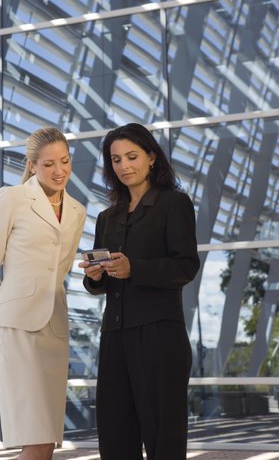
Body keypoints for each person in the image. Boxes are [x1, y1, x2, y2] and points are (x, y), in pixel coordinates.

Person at [79, 123, 200, 460]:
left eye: (132, 156)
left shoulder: (173, 203)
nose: (124, 166)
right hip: (114, 335)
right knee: (115, 435)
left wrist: (136, 269)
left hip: (159, 333)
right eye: (116, 160)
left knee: (163, 438)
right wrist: (95, 276)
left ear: (150, 157)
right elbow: (99, 284)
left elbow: (186, 266)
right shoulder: (107, 217)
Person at [0, 127, 86, 460]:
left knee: (47, 436)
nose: (59, 170)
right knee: (35, 434)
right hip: (18, 325)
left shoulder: (77, 211)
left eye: (64, 161)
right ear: (32, 165)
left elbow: (60, 269)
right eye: (49, 164)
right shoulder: (12, 198)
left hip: (54, 326)